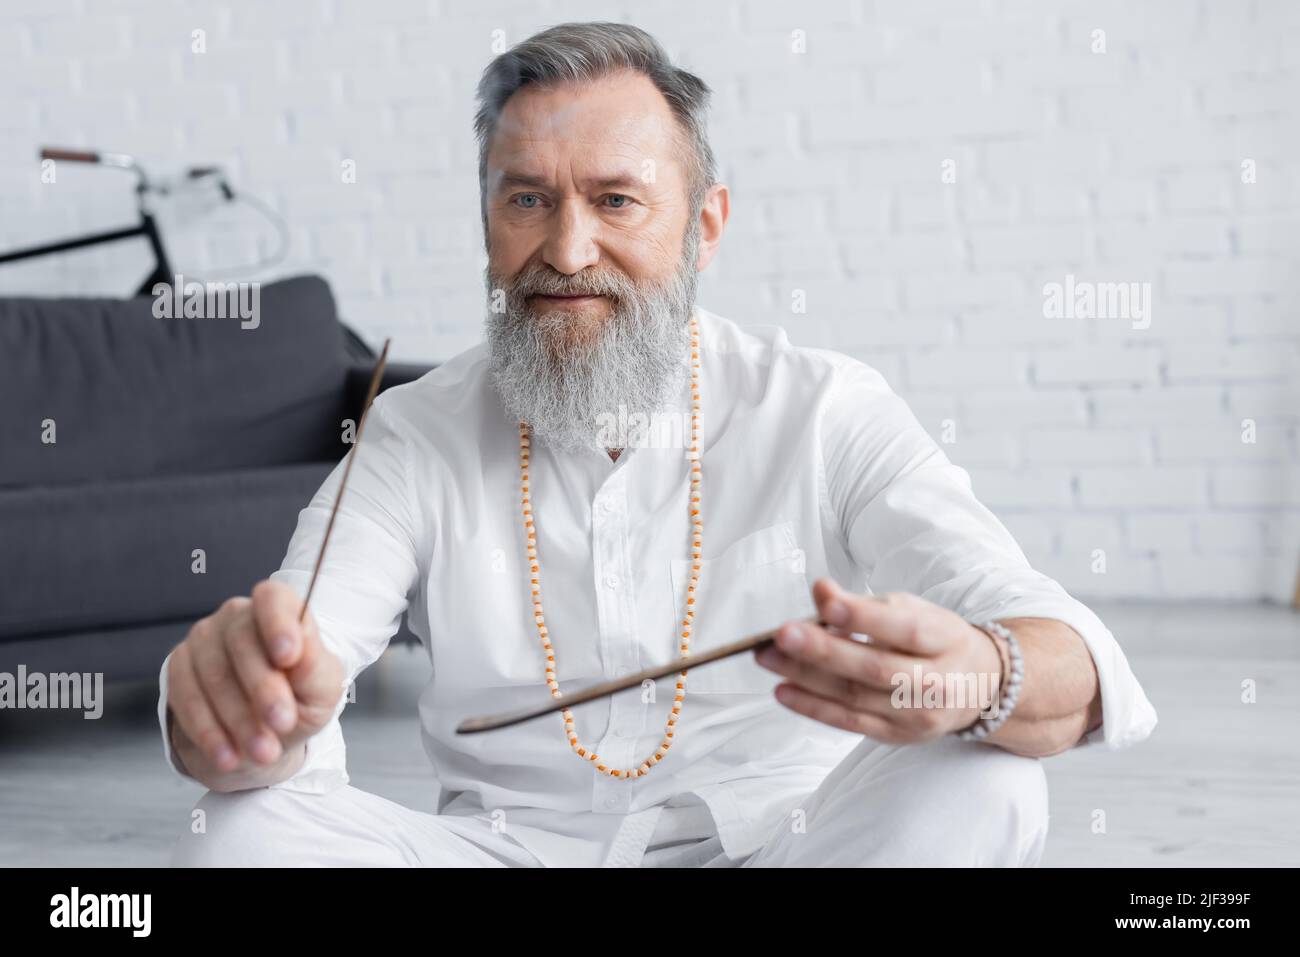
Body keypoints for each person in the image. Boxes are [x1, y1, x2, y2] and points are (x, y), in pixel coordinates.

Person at [158, 21, 1156, 867]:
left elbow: (1071, 658)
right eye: (526, 200)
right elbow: (289, 672)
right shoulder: (415, 430)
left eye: (616, 199)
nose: (567, 249)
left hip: (787, 844)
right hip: (507, 855)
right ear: (488, 224)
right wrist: (235, 708)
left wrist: (975, 678)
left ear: (703, 227)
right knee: (239, 828)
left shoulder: (823, 409)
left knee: (988, 780)